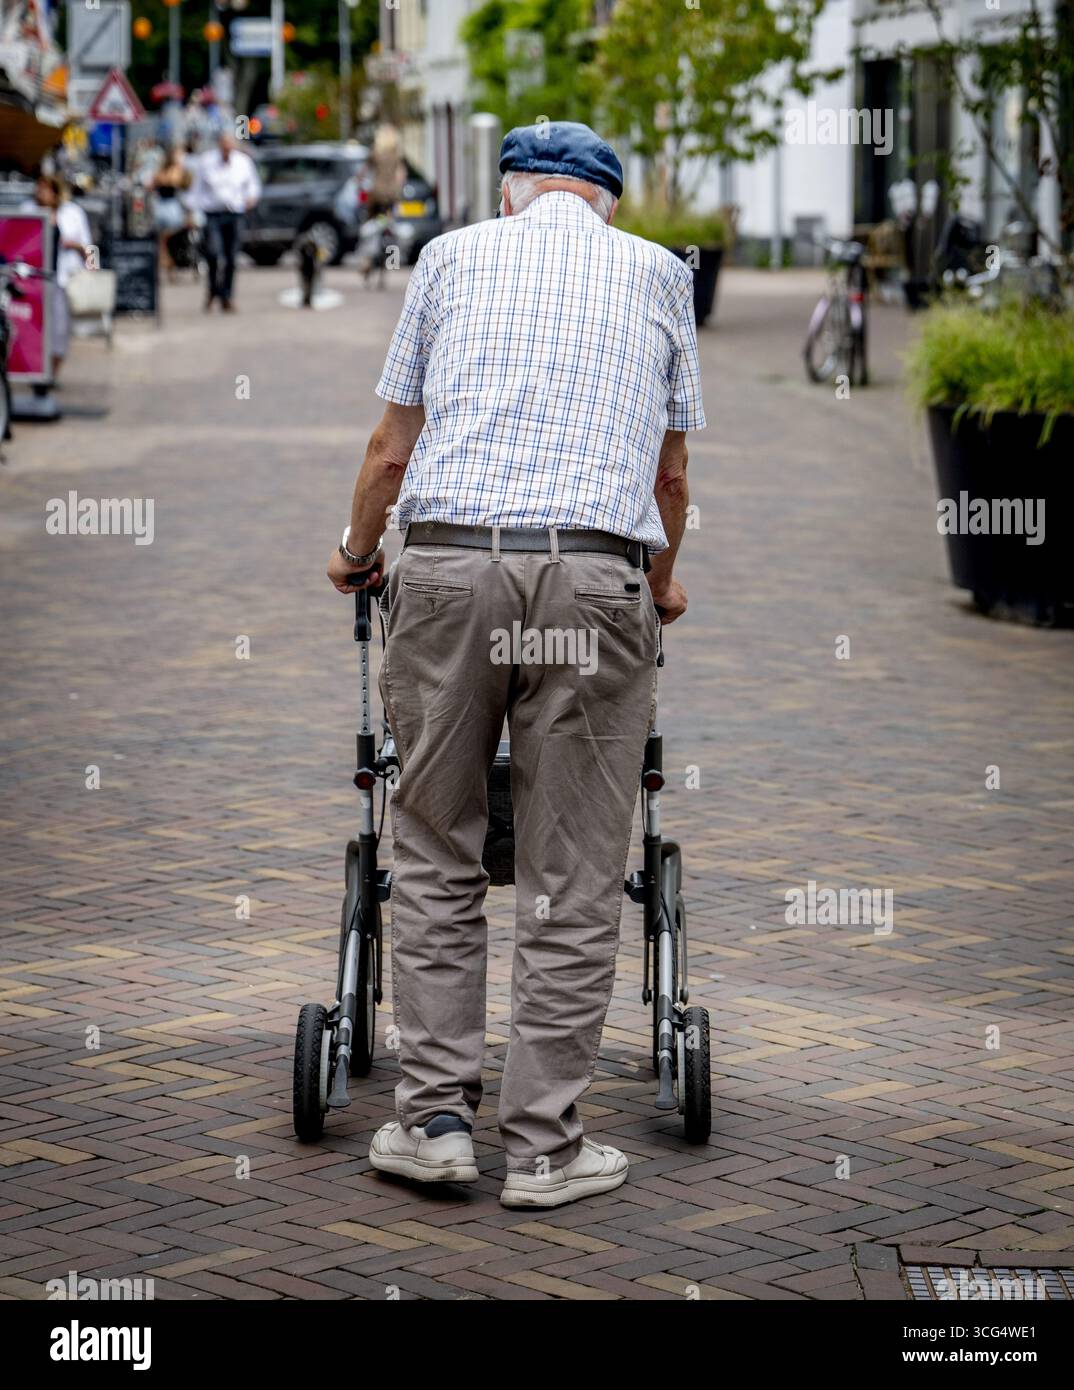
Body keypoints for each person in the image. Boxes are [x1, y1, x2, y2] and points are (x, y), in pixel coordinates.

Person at [327, 122, 705, 1209]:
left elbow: (392, 451)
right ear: (607, 204)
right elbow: (668, 477)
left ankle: (434, 1123)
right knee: (574, 873)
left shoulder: (448, 256)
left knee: (437, 845)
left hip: (449, 573)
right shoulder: (656, 274)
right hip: (593, 580)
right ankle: (544, 1147)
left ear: (510, 197)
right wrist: (663, 582)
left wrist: (357, 555)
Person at [187, 131, 260, 312]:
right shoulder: (207, 162)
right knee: (213, 253)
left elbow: (253, 186)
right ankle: (213, 290)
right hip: (213, 214)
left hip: (235, 214)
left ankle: (227, 296)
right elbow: (196, 190)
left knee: (231, 258)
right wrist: (191, 212)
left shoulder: (243, 162)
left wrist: (250, 198)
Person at [32, 173, 91, 382]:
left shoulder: (73, 213)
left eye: (46, 189)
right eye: (39, 188)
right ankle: (36, 372)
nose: (41, 193)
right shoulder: (28, 211)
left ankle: (51, 373)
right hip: (33, 282)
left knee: (59, 329)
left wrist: (90, 269)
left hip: (62, 281)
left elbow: (91, 249)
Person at [149, 145, 192, 279]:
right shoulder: (169, 170)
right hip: (166, 206)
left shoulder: (170, 171)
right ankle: (167, 261)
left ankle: (168, 260)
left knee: (168, 235)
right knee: (164, 236)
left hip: (170, 205)